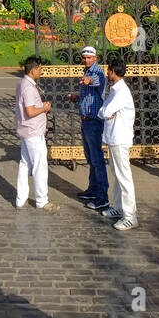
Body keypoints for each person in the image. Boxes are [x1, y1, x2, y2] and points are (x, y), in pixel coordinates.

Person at [14, 57, 59, 212]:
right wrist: (44, 108)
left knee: (25, 163)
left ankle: (21, 198)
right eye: (40, 68)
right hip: (33, 132)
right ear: (33, 70)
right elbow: (30, 111)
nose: (41, 71)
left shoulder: (22, 84)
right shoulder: (28, 87)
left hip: (27, 131)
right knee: (40, 166)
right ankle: (41, 200)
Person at [67, 46, 109, 211]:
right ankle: (93, 190)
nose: (86, 60)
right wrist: (77, 97)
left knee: (97, 160)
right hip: (86, 120)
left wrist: (89, 81)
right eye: (84, 58)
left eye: (89, 58)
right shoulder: (86, 72)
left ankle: (102, 196)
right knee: (91, 158)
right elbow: (90, 96)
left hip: (94, 121)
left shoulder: (97, 72)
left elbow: (99, 82)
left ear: (95, 57)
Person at [98, 59, 138, 231]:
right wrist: (106, 112)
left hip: (120, 138)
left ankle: (130, 216)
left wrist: (106, 112)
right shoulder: (115, 90)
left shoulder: (121, 92)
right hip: (114, 137)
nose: (107, 73)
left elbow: (105, 111)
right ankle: (119, 207)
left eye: (108, 70)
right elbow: (104, 110)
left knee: (124, 177)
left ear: (113, 71)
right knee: (117, 175)